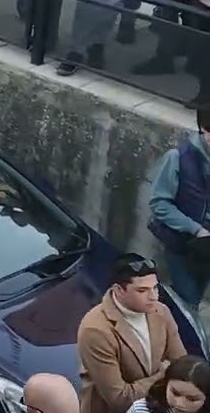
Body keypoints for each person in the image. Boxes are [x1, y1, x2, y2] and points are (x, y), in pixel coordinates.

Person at [78, 254, 188, 413]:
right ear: (118, 290)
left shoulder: (160, 311)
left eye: (155, 287)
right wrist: (163, 374)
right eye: (142, 290)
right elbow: (120, 400)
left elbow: (182, 364)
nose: (154, 296)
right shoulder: (95, 330)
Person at [147, 109, 210, 306]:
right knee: (187, 301)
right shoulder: (177, 158)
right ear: (204, 131)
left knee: (196, 296)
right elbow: (160, 204)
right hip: (182, 246)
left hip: (206, 249)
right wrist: (195, 229)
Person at [125, 355, 210, 412]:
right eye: (175, 393)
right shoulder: (141, 409)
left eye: (192, 399)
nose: (179, 403)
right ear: (166, 385)